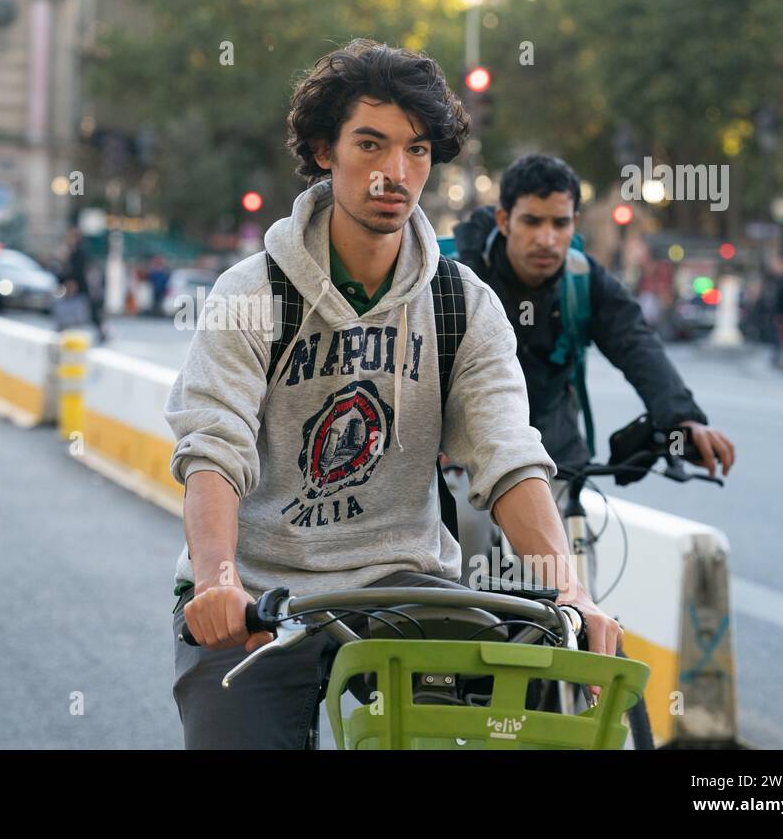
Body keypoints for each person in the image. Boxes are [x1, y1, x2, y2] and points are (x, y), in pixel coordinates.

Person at [166, 39, 615, 749]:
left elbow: (507, 456)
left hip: (405, 590)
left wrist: (572, 591)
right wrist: (217, 580)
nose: (394, 173)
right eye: (371, 145)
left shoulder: (460, 305)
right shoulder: (252, 294)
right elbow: (213, 449)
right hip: (258, 596)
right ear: (323, 151)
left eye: (416, 150)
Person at [451, 154, 735, 479]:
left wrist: (683, 420)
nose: (546, 239)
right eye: (532, 221)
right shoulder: (460, 279)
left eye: (560, 223)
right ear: (504, 221)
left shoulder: (584, 278)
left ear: (574, 222)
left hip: (555, 458)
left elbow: (636, 343)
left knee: (571, 528)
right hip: (469, 459)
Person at [59, 226, 109, 341]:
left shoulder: (79, 252)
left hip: (79, 286)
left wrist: (70, 282)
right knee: (81, 309)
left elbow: (76, 270)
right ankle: (62, 328)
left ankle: (102, 330)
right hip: (78, 286)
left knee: (86, 309)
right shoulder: (73, 250)